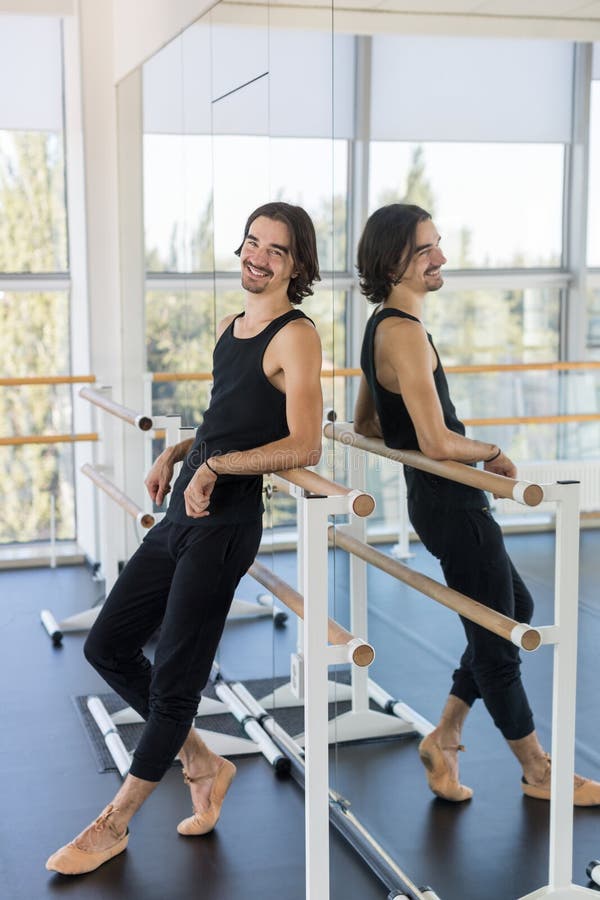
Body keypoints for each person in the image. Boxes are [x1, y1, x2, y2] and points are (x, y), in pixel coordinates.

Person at [46, 201, 323, 875]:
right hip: (181, 513)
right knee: (109, 643)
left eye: (275, 250)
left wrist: (218, 468)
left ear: (297, 265)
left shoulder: (297, 336)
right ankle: (201, 758)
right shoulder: (232, 328)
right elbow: (227, 421)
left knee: (174, 677)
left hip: (226, 527)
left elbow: (305, 443)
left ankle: (115, 823)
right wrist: (181, 452)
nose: (256, 257)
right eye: (252, 243)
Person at [353, 203, 600, 805]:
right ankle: (539, 773)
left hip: (436, 501)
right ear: (394, 262)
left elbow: (367, 421)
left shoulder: (382, 326)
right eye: (426, 251)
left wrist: (420, 440)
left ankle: (447, 735)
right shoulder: (405, 334)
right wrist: (489, 450)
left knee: (515, 603)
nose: (441, 258)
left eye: (438, 245)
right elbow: (436, 441)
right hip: (453, 506)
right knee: (499, 638)